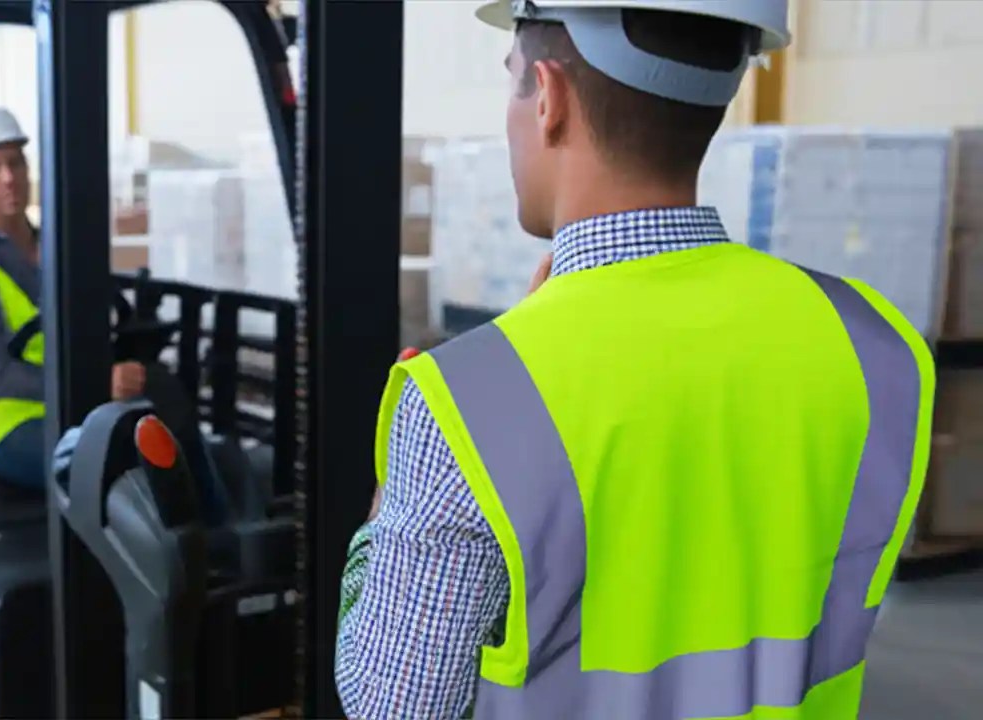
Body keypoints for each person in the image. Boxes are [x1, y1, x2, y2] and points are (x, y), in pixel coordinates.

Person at [335, 2, 935, 719]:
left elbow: (392, 703)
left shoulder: (468, 402)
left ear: (549, 99)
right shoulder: (873, 342)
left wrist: (386, 507)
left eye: (511, 82)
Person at [0, 103, 228, 524]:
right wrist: (96, 383)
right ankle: (177, 562)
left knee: (167, 399)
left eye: (16, 163)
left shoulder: (55, 245)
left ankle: (218, 537)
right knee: (124, 455)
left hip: (59, 402)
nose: (9, 177)